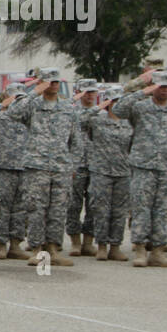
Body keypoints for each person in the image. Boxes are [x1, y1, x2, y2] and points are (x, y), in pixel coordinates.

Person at [7, 67, 82, 267]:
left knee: (58, 209)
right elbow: (13, 113)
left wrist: (72, 164)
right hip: (36, 165)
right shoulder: (32, 105)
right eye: (49, 82)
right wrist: (35, 92)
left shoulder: (68, 108)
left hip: (61, 167)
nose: (53, 85)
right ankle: (37, 249)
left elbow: (76, 140)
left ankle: (53, 249)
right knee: (36, 209)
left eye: (56, 82)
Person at [113, 70, 167, 268]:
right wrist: (142, 92)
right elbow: (119, 110)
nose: (164, 91)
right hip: (142, 166)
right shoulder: (140, 107)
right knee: (141, 208)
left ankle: (157, 251)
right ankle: (139, 249)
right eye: (160, 87)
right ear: (153, 88)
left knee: (161, 211)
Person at [81, 87, 133, 261]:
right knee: (100, 209)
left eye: (120, 102)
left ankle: (115, 246)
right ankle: (101, 245)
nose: (117, 105)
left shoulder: (129, 123)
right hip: (101, 170)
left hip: (124, 171)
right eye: (114, 102)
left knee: (120, 211)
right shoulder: (97, 120)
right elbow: (80, 120)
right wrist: (98, 106)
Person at [0, 84, 31, 259]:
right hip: (3, 167)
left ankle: (16, 244)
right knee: (1, 208)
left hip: (25, 167)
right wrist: (1, 105)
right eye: (14, 98)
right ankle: (1, 244)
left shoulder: (28, 118)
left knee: (21, 208)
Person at [66, 79, 100, 256]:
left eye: (93, 92)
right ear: (79, 93)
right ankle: (75, 241)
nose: (90, 95)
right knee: (73, 204)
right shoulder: (72, 111)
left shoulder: (102, 113)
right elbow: (79, 122)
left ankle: (88, 240)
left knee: (94, 204)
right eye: (86, 92)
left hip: (96, 164)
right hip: (77, 165)